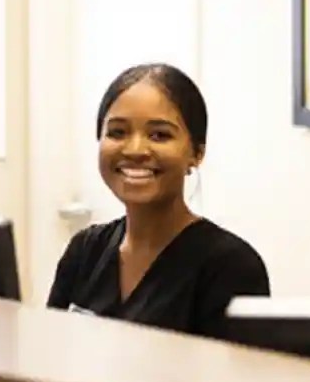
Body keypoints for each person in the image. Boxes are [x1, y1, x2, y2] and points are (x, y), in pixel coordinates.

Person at [46, 62, 270, 339]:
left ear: (196, 153)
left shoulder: (231, 267)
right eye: (117, 132)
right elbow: (50, 357)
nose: (135, 150)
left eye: (159, 135)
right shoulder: (85, 251)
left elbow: (233, 380)